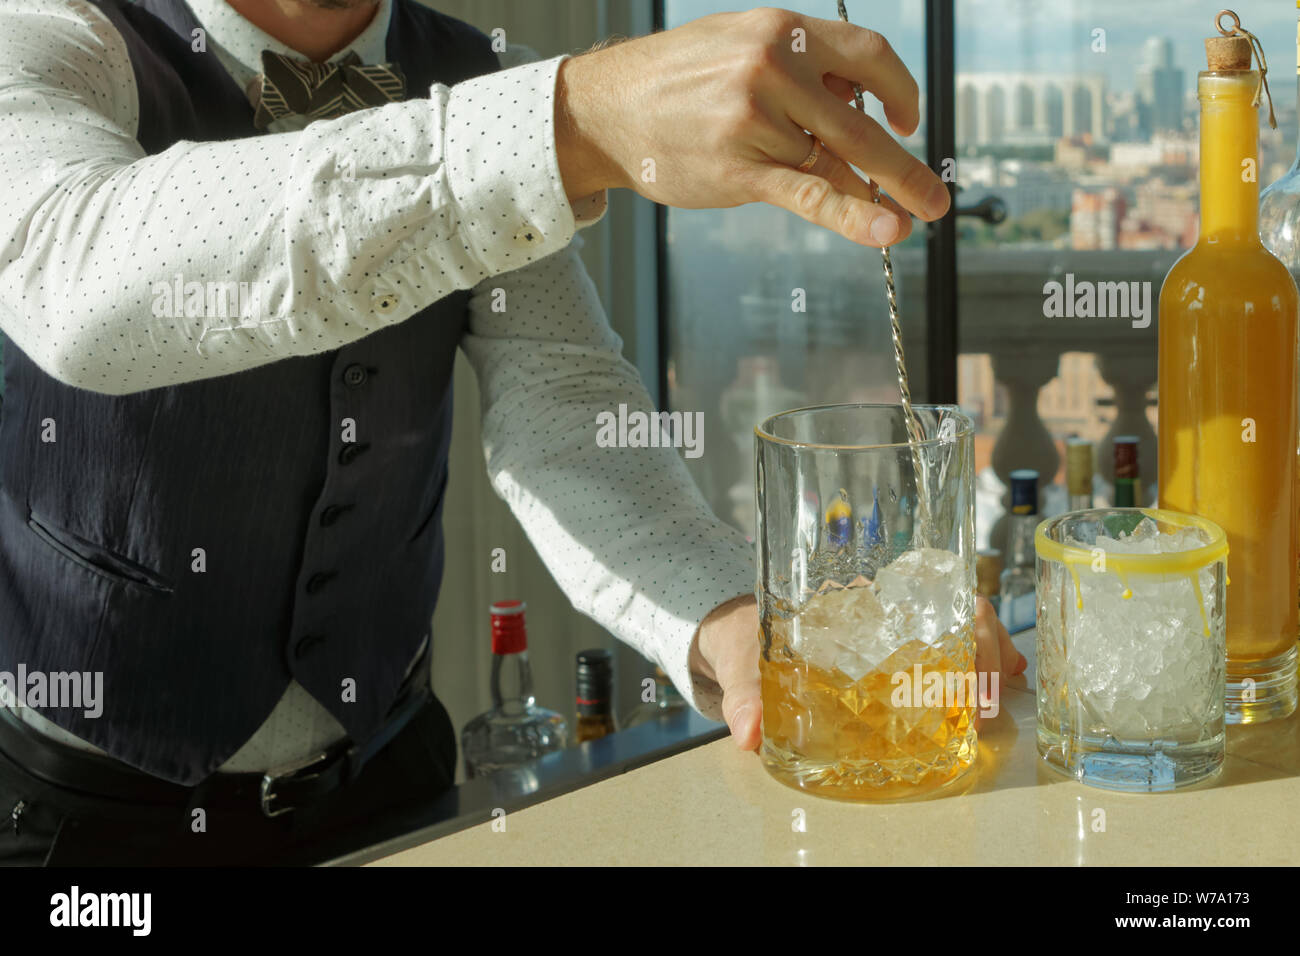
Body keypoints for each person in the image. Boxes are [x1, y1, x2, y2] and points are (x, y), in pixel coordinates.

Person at [0, 0, 1022, 865]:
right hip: (79, 814)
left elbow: (564, 412)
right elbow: (82, 280)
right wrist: (569, 122)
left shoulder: (469, 70)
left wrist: (730, 612)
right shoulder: (52, 35)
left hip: (389, 781)